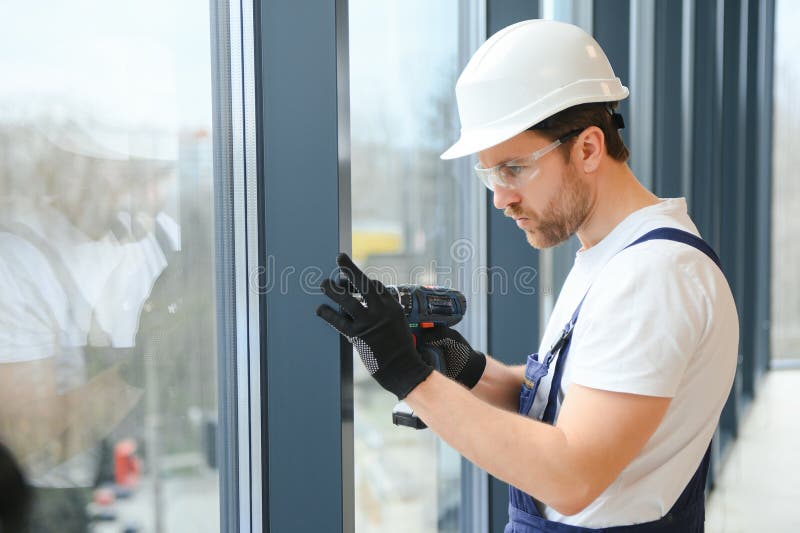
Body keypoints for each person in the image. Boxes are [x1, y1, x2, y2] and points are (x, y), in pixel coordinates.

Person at [316, 19, 738, 532]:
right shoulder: (611, 257)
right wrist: (466, 367)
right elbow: (572, 400)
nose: (500, 198)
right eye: (490, 173)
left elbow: (571, 476)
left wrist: (413, 379)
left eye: (514, 169)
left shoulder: (654, 276)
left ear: (587, 148)